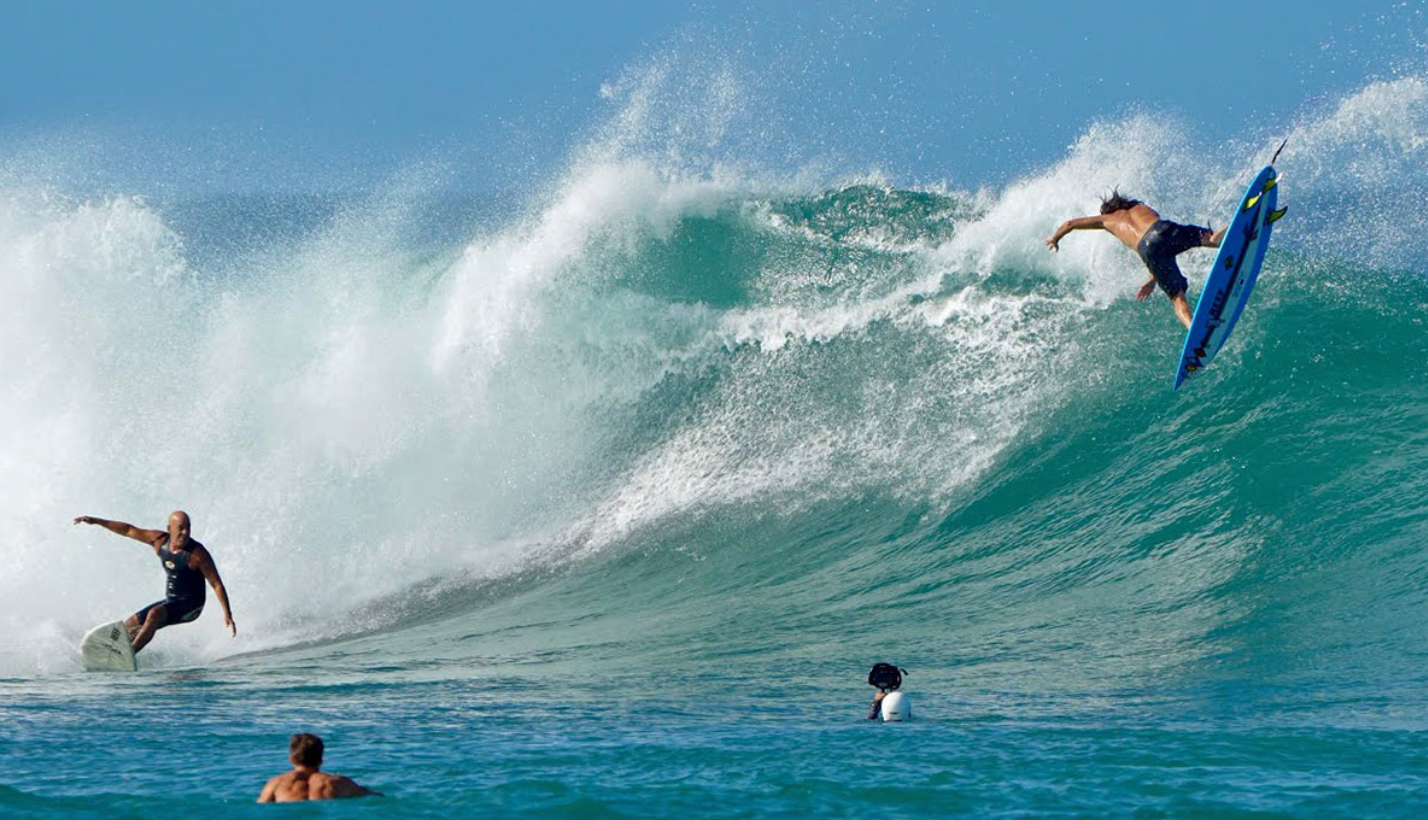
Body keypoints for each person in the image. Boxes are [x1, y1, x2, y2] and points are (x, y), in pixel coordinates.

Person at [1045, 191, 1225, 330]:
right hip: (1161, 229)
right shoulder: (1142, 208)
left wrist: (1055, 238)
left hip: (1146, 249)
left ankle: (1192, 327)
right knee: (1209, 239)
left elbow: (1070, 224)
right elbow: (1162, 241)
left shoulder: (1106, 219)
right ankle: (1229, 228)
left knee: (1177, 298)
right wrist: (1152, 279)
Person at [73, 510, 236, 653]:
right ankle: (109, 651)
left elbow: (216, 584)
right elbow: (128, 530)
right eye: (180, 529)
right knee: (130, 624)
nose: (185, 533)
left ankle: (129, 653)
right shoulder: (159, 541)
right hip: (172, 601)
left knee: (154, 614)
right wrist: (96, 521)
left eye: (188, 528)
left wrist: (227, 613)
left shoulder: (198, 555)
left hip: (192, 606)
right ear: (169, 529)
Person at [258, 734, 381, 802]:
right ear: (321, 760)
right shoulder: (338, 782)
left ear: (291, 759)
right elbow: (376, 795)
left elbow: (260, 808)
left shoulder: (275, 783)